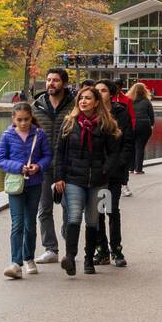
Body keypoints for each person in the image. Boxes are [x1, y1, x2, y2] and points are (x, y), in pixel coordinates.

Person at [50, 83, 123, 276]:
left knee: (92, 221)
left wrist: (105, 170)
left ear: (96, 102)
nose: (83, 101)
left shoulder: (106, 125)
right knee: (73, 217)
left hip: (98, 182)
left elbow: (114, 153)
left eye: (88, 98)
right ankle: (70, 258)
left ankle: (89, 259)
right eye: (81, 98)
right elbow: (59, 152)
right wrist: (59, 177)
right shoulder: (69, 123)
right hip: (73, 179)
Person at [0, 101, 52, 279]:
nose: (23, 123)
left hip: (34, 184)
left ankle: (29, 258)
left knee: (30, 223)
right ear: (13, 118)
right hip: (15, 185)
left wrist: (38, 166)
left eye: (26, 119)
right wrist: (19, 167)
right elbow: (1, 160)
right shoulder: (7, 136)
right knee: (17, 223)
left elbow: (48, 156)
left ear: (31, 117)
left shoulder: (40, 135)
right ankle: (16, 262)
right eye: (19, 120)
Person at [32, 69, 74, 264]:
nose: (51, 83)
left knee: (69, 209)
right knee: (44, 209)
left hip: (68, 167)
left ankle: (69, 245)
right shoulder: (37, 106)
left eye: (55, 80)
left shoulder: (74, 106)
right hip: (44, 166)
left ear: (64, 83)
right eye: (48, 80)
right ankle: (51, 249)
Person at [92, 80, 134, 267]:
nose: (100, 94)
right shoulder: (92, 114)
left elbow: (127, 142)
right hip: (98, 171)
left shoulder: (120, 112)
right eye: (97, 91)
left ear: (111, 93)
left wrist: (121, 164)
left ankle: (116, 249)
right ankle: (102, 250)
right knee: (99, 211)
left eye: (104, 90)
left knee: (112, 209)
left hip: (115, 171)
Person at [128, 82, 155, 175]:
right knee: (140, 147)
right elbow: (151, 115)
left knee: (131, 147)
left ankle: (130, 168)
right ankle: (138, 169)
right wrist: (152, 125)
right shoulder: (146, 101)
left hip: (131, 125)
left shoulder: (129, 100)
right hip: (144, 125)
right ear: (144, 90)